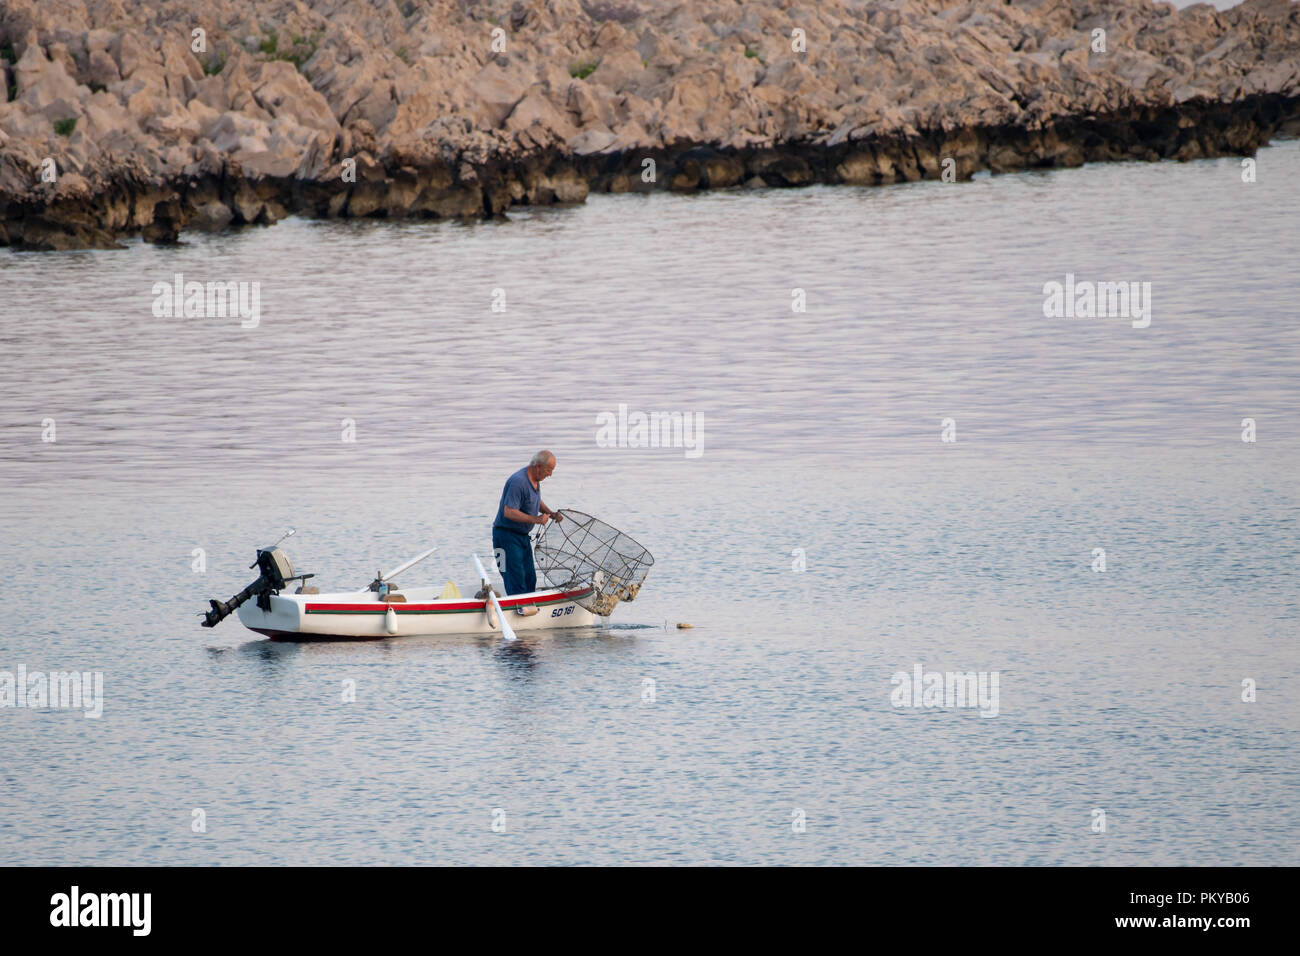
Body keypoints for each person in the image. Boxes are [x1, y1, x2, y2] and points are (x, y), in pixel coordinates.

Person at [492, 450, 563, 603]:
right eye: (548, 470)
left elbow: (535, 501)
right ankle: (518, 610)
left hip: (522, 537)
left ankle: (530, 609)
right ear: (538, 467)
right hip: (506, 537)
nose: (550, 474)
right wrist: (536, 520)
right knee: (516, 578)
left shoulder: (535, 481)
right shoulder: (518, 481)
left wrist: (551, 513)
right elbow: (509, 512)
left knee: (530, 577)